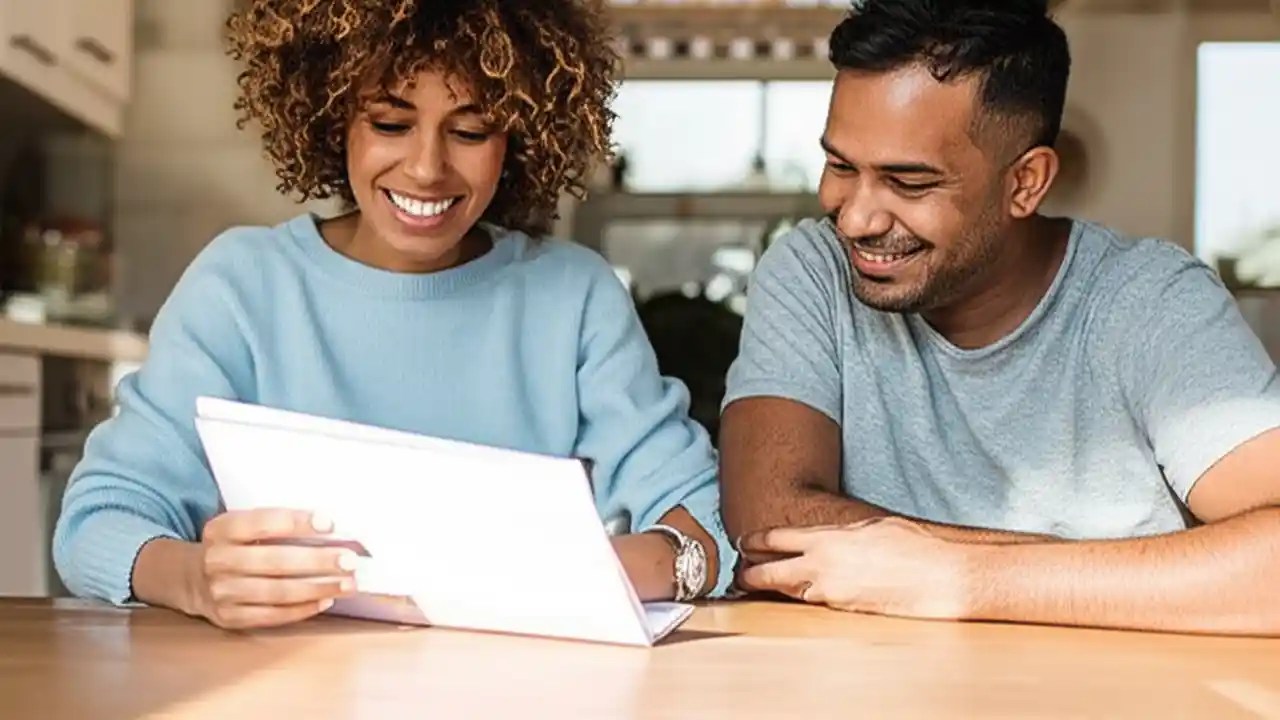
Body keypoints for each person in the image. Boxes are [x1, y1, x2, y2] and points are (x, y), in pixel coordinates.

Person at [54, 0, 734, 630]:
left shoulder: (572, 297)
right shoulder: (243, 286)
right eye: (389, 123)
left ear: (520, 136)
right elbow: (96, 525)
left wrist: (578, 573)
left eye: (470, 129)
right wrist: (195, 579)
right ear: (331, 115)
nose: (426, 168)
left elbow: (701, 519)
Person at [720, 0, 1280, 636]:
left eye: (908, 183)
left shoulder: (1150, 303)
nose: (855, 218)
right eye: (841, 166)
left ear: (1026, 183)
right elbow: (768, 524)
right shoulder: (813, 271)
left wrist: (962, 577)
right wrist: (1128, 576)